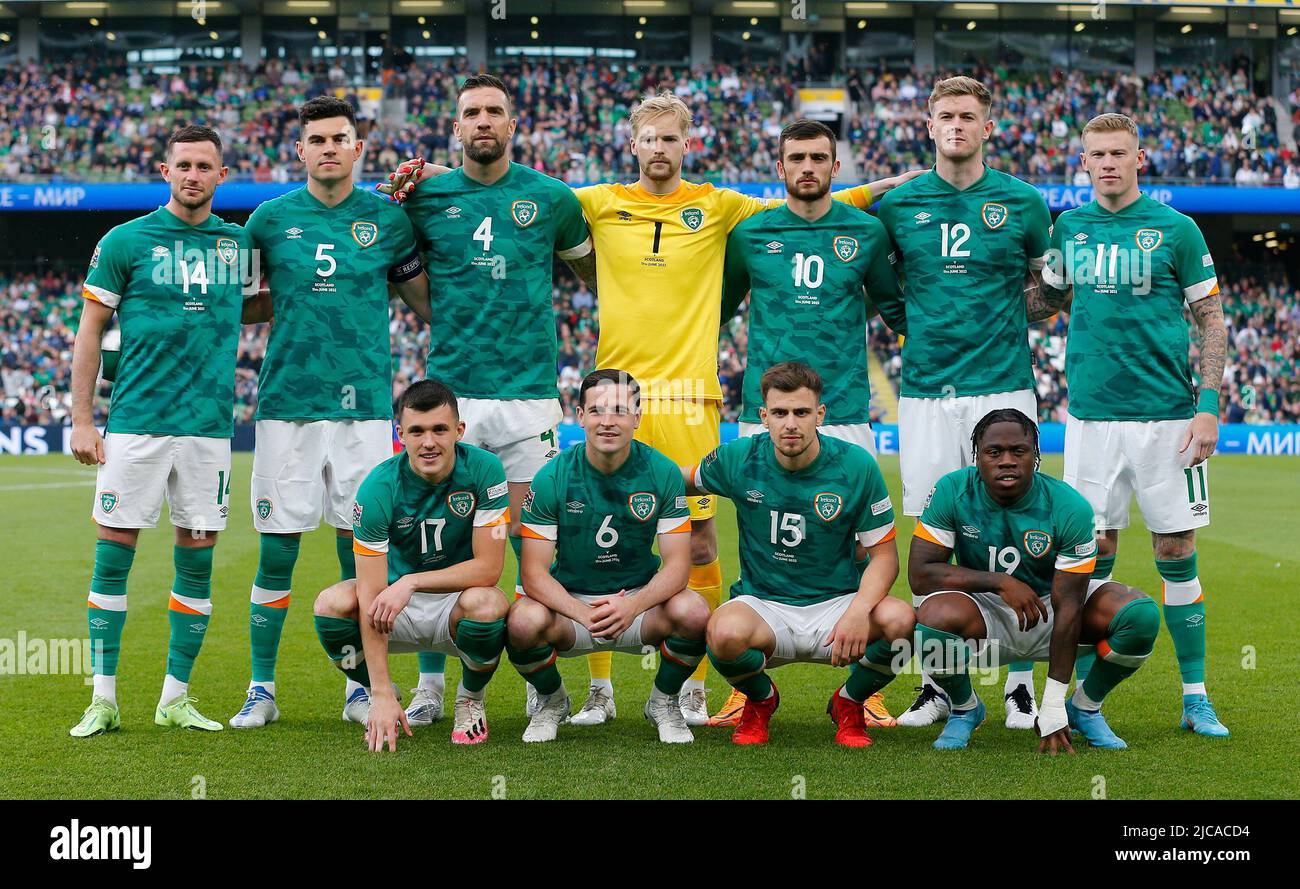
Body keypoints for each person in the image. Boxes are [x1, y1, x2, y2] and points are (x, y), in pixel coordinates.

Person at [230, 95, 431, 729]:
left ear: (357, 147)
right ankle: (261, 689)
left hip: (364, 410)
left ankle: (359, 683)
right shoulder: (267, 220)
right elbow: (242, 305)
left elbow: (424, 300)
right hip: (287, 405)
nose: (328, 148)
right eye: (316, 139)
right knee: (276, 550)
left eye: (339, 138)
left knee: (362, 550)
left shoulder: (387, 221)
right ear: (300, 150)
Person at [1041, 112, 1230, 736]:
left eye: (1119, 153)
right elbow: (1045, 302)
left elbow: (1211, 319)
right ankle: (1086, 700)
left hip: (1170, 419)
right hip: (1092, 420)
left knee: (1176, 550)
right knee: (1093, 553)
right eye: (1097, 154)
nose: (1109, 163)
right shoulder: (1069, 228)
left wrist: (1208, 403)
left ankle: (1195, 696)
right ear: (1085, 162)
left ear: (1139, 158)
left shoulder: (1175, 229)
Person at [877, 76, 1053, 730]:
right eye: (946, 114)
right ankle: (938, 686)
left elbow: (1046, 291)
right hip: (925, 392)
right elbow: (880, 288)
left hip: (1004, 384)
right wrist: (913, 326)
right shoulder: (898, 204)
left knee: (1018, 529)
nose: (956, 124)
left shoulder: (1023, 201)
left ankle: (1019, 684)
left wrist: (1026, 307)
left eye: (968, 115)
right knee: (932, 526)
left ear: (988, 125)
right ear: (928, 124)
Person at [69, 125, 254, 736]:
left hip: (206, 431)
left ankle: (175, 697)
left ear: (221, 175)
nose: (194, 175)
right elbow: (90, 331)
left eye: (206, 166)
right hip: (136, 427)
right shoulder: (126, 241)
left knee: (197, 565)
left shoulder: (239, 247)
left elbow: (269, 303)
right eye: (184, 165)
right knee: (112, 559)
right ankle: (103, 698)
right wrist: (83, 418)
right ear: (164, 170)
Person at [685, 362, 913, 746]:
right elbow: (678, 480)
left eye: (801, 412)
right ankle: (760, 701)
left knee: (901, 621)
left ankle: (849, 701)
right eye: (780, 413)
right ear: (764, 416)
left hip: (837, 605)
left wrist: (858, 611)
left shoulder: (856, 466)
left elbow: (886, 557)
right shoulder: (739, 458)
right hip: (764, 606)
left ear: (819, 414)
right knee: (722, 633)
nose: (790, 423)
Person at [910, 410, 1159, 751]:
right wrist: (999, 582)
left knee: (1140, 616)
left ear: (1036, 456)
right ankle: (965, 709)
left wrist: (1053, 704)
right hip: (985, 614)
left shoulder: (1069, 507)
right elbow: (921, 575)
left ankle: (1084, 708)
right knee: (932, 618)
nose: (1007, 461)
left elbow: (1070, 605)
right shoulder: (953, 489)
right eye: (994, 452)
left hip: (1052, 611)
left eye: (1019, 451)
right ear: (977, 457)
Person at [509, 369, 709, 743]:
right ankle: (553, 701)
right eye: (597, 410)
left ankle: (663, 701)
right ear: (580, 416)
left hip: (639, 603)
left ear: (637, 417)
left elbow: (679, 566)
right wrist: (583, 613)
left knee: (695, 612)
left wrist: (632, 607)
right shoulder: (552, 477)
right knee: (521, 622)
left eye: (619, 410)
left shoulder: (662, 472)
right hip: (571, 610)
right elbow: (533, 574)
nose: (608, 420)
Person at [313, 380, 510, 749]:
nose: (429, 442)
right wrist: (382, 691)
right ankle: (377, 693)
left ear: (459, 431)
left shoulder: (486, 470)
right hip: (391, 610)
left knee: (490, 604)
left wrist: (411, 581)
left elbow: (489, 569)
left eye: (440, 429)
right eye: (416, 432)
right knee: (331, 605)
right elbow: (370, 592)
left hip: (456, 603)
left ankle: (470, 699)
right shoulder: (377, 488)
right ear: (400, 433)